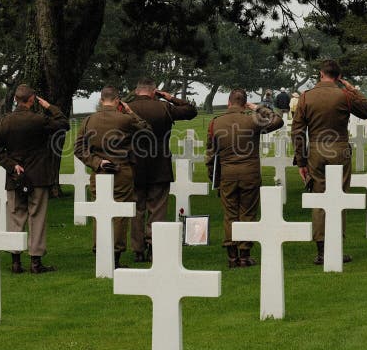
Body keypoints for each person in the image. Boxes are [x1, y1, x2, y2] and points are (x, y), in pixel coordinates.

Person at [292, 60, 367, 264]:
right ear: (339, 76)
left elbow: (298, 131)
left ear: (321, 74)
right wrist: (353, 90)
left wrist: (301, 161)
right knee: (340, 197)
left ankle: (321, 250)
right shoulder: (344, 95)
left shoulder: (306, 97)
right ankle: (335, 246)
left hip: (317, 151)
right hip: (339, 149)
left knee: (319, 198)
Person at [0, 85, 69, 274]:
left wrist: (11, 165)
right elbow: (63, 123)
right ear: (32, 100)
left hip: (15, 175)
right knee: (37, 217)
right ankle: (36, 261)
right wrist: (49, 106)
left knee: (15, 216)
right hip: (38, 175)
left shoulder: (4, 122)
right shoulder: (39, 120)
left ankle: (16, 261)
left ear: (17, 99)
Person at [205, 89, 283, 267]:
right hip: (250, 172)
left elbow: (210, 155)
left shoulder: (215, 123)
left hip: (227, 174)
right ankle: (244, 255)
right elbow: (277, 120)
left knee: (230, 214)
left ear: (228, 102)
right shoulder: (252, 119)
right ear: (245, 103)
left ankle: (232, 256)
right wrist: (258, 108)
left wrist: (213, 177)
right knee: (248, 213)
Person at [75, 86, 150, 268]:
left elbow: (78, 148)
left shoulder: (88, 120)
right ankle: (115, 255)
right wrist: (131, 112)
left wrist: (97, 162)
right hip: (121, 171)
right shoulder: (125, 119)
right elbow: (147, 131)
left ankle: (99, 249)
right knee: (119, 214)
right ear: (117, 100)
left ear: (101, 100)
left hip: (99, 171)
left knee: (99, 213)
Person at [127, 78, 197, 262]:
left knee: (136, 209)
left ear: (136, 91)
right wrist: (170, 97)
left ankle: (137, 249)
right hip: (159, 164)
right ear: (153, 91)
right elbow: (191, 111)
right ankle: (153, 246)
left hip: (134, 165)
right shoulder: (163, 107)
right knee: (157, 209)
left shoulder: (127, 108)